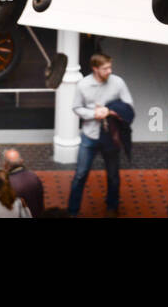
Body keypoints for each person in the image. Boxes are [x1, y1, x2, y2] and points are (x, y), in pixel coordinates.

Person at [67, 52, 134, 217]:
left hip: (111, 137)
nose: (109, 71)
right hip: (90, 135)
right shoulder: (83, 85)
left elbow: (129, 105)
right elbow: (76, 108)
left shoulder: (118, 83)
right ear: (95, 69)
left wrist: (110, 111)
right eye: (105, 68)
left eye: (110, 67)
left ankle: (112, 206)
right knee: (81, 174)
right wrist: (93, 114)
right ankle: (72, 211)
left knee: (113, 175)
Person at [1, 147, 44, 220]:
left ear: (5, 165)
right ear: (21, 161)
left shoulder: (5, 183)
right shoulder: (33, 177)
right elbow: (40, 202)